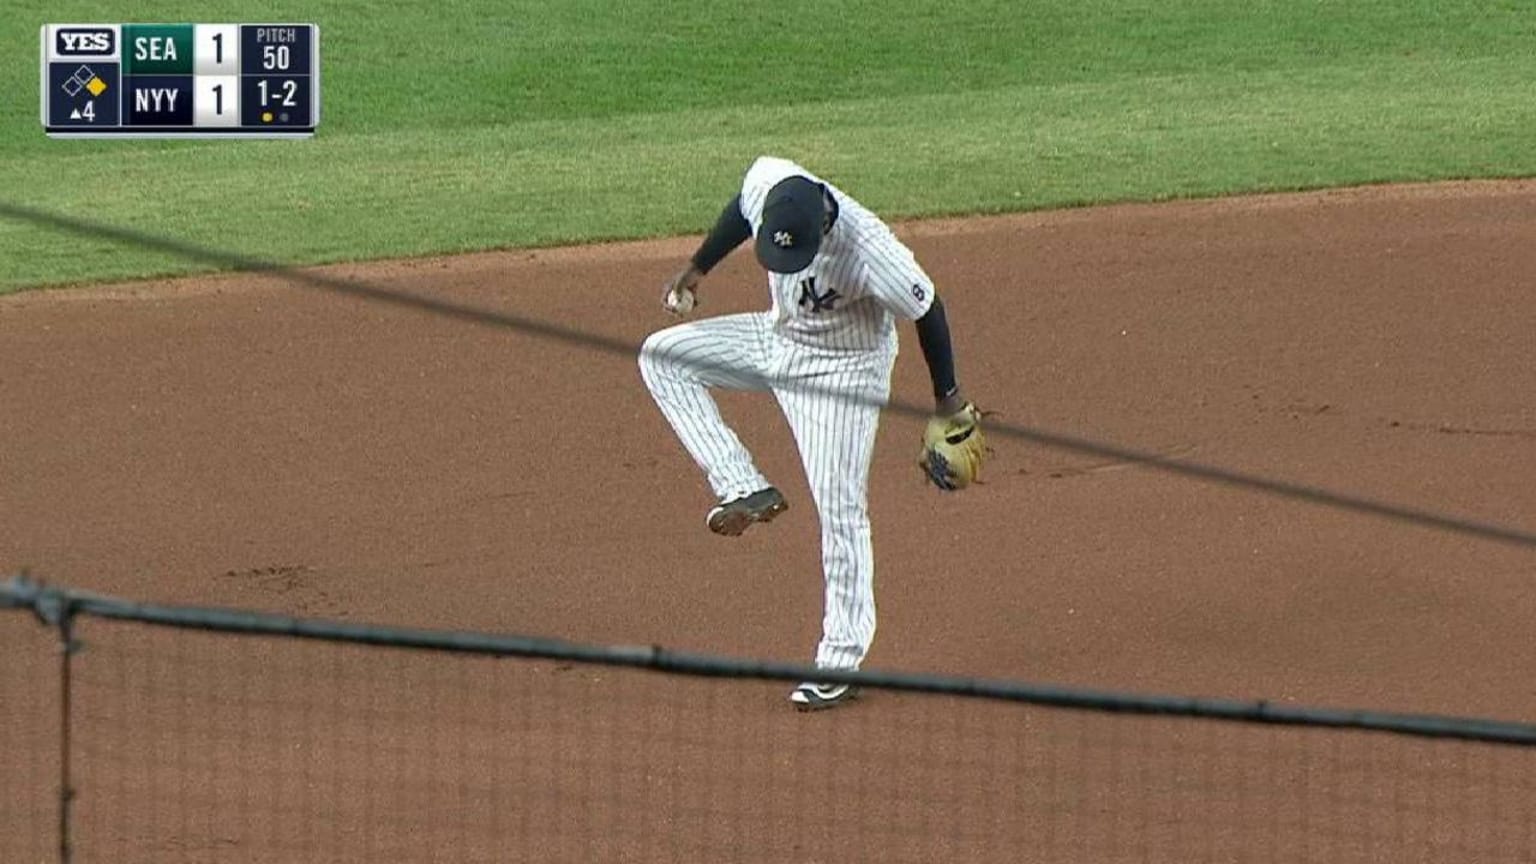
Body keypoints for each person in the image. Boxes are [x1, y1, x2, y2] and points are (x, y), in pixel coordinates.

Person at [638, 155, 973, 711]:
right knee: (662, 358)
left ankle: (840, 659)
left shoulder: (872, 253)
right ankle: (742, 484)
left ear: (822, 227)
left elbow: (928, 308)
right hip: (777, 340)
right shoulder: (768, 181)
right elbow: (739, 216)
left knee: (840, 509)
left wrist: (948, 400)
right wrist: (698, 267)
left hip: (842, 375)